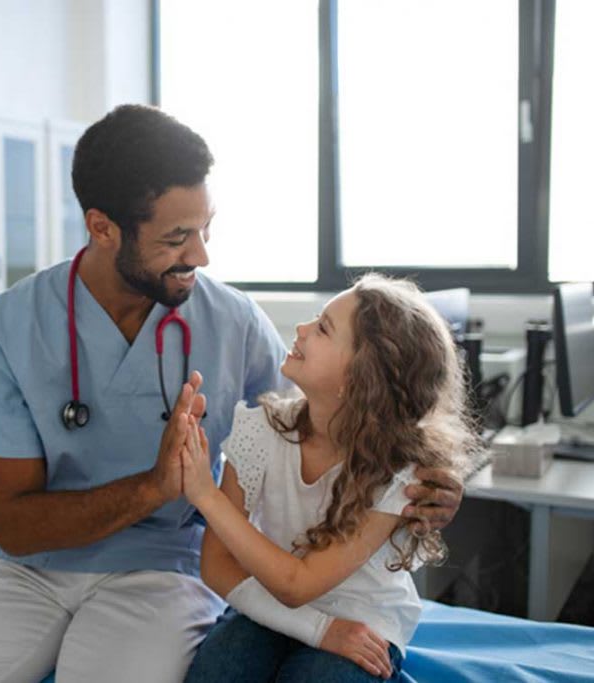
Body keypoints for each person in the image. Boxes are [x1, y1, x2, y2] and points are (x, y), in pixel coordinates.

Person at [0, 105, 464, 683]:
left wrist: (422, 487)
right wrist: (160, 484)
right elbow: (16, 526)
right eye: (178, 237)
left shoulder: (235, 323)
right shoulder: (6, 329)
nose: (200, 256)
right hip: (27, 570)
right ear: (102, 228)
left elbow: (332, 436)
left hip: (165, 570)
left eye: (205, 229)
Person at [180, 274, 483, 682]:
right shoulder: (258, 431)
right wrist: (317, 630)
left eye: (323, 328)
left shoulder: (398, 473)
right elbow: (216, 566)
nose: (302, 330)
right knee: (219, 672)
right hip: (267, 603)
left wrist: (205, 494)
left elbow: (298, 585)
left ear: (360, 378)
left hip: (360, 622)